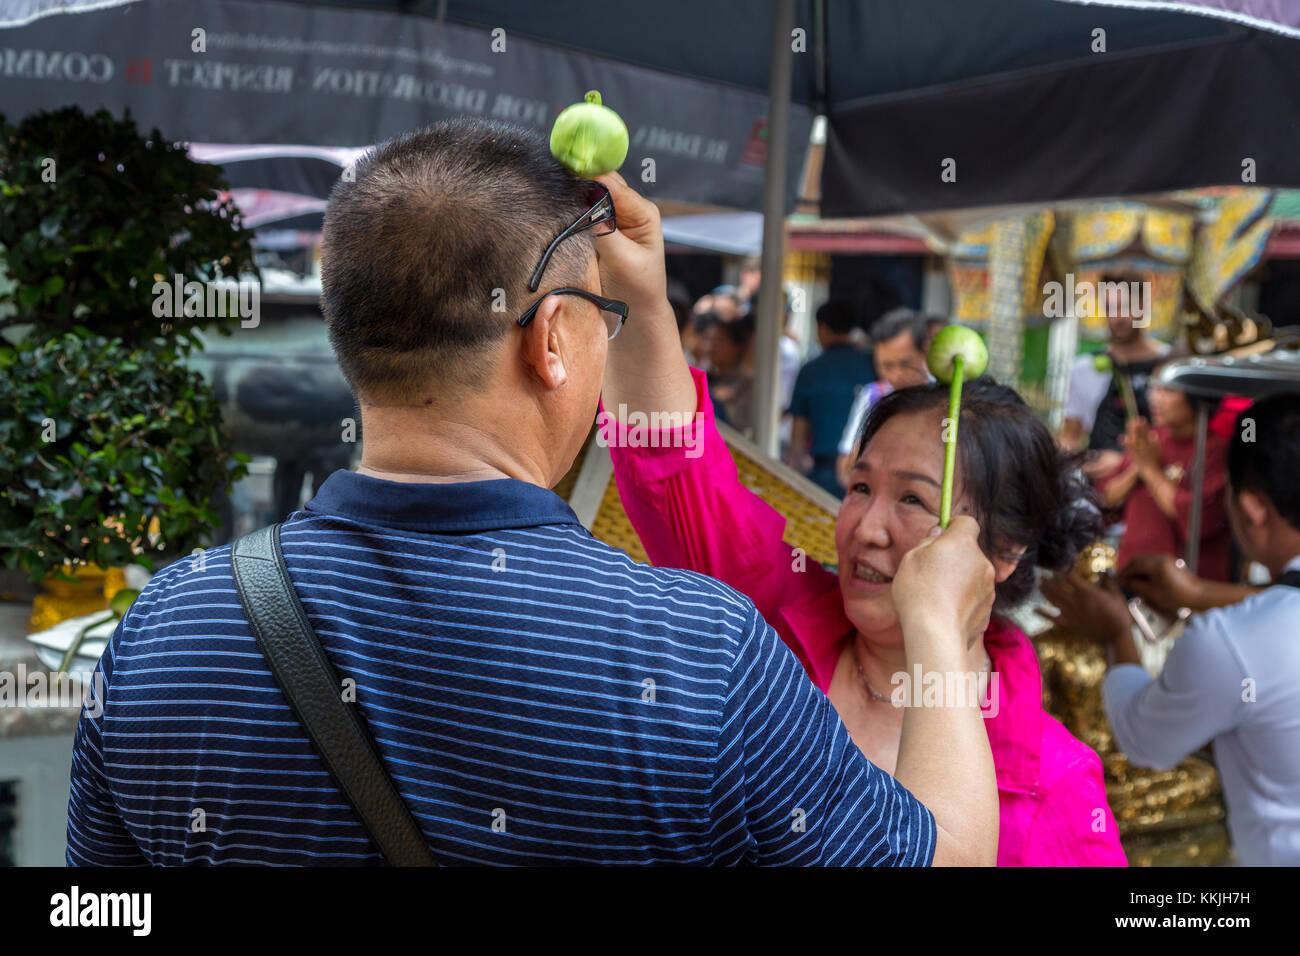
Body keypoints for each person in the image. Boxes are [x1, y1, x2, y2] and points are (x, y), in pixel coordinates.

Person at [65, 119, 998, 867]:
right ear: (552, 338)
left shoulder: (165, 627)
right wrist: (939, 631)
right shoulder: (700, 656)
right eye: (602, 320)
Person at [603, 316, 1128, 864]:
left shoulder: (1056, 783)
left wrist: (934, 624)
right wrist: (640, 292)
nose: (865, 528)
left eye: (912, 501)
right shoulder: (775, 620)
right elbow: (672, 468)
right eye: (860, 486)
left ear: (1004, 551)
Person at [1041, 393, 1300, 865]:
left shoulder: (1230, 641)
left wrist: (1117, 636)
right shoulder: (1241, 629)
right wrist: (1199, 595)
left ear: (1252, 508)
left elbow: (1146, 742)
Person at [1096, 377, 1232, 581]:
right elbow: (1106, 497)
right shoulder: (1150, 439)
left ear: (1197, 395)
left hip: (1185, 582)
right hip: (1132, 573)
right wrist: (1137, 468)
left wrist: (1150, 470)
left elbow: (1197, 519)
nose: (1154, 399)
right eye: (1154, 389)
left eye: (1168, 391)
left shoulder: (1216, 449)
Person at [1059, 272, 1169, 478]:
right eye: (1110, 308)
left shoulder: (1169, 367)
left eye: (1125, 307)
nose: (1117, 317)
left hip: (1155, 481)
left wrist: (1124, 463)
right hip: (1099, 485)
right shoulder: (1085, 368)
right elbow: (1071, 436)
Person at [834, 309, 935, 490]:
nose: (895, 375)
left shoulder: (945, 400)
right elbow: (844, 470)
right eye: (886, 366)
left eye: (905, 364)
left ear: (925, 352)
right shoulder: (872, 397)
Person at [787, 300, 875, 496]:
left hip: (824, 473)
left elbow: (798, 439)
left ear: (822, 328)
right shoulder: (872, 365)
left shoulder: (811, 371)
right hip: (867, 472)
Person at [697, 313, 754, 433]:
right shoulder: (699, 378)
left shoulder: (747, 384)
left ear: (736, 346)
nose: (711, 346)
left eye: (720, 340)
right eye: (708, 339)